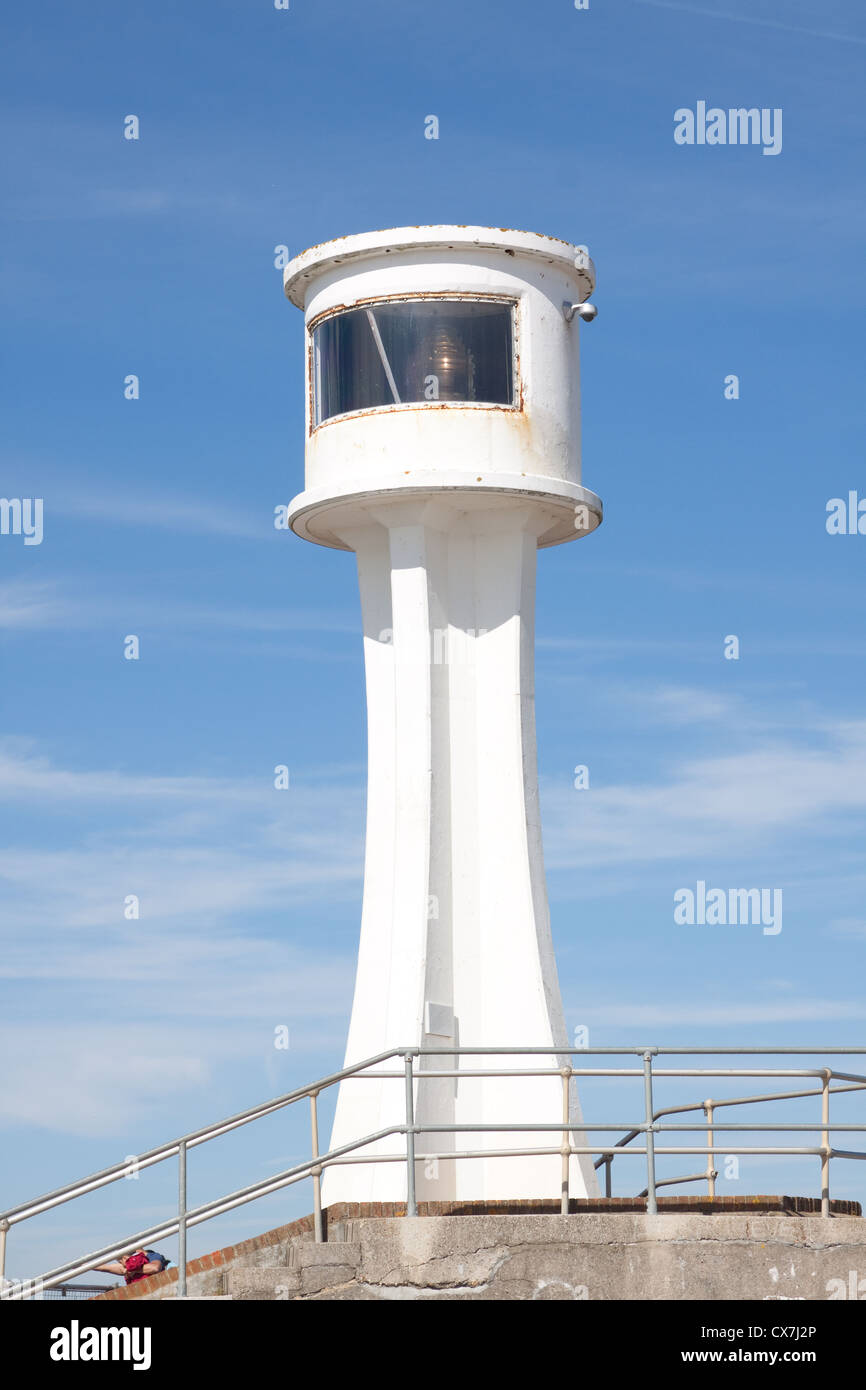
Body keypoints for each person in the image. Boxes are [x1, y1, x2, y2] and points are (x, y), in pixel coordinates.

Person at [94, 1249, 170, 1283]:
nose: (121, 1264)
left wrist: (132, 1270)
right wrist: (83, 1264)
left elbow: (155, 1268)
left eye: (120, 1261)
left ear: (125, 1258)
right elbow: (104, 1268)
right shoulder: (126, 1267)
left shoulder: (152, 1256)